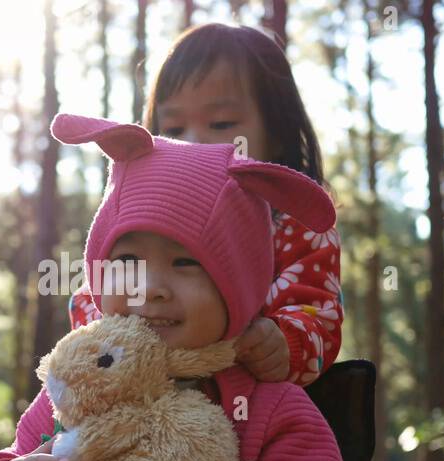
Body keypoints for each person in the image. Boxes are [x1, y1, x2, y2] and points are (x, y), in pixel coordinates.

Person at [0, 113, 357, 461]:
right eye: (127, 262)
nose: (150, 287)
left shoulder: (270, 406)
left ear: (240, 289)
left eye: (186, 263)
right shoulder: (76, 389)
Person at [70, 23, 342, 387]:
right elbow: (91, 294)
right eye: (175, 128)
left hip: (251, 422)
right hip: (134, 409)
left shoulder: (297, 226)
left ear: (276, 134)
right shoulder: (143, 215)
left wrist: (283, 341)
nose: (196, 142)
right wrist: (105, 336)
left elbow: (318, 315)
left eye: (221, 123)